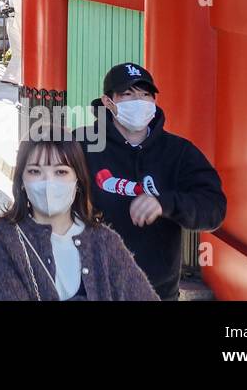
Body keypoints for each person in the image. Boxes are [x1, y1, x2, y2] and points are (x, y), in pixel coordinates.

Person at [84, 63, 227, 301]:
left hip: (156, 292)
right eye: (128, 94)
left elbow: (214, 208)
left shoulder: (179, 152)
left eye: (145, 94)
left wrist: (166, 203)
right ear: (108, 102)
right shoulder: (82, 145)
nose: (138, 100)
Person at [0, 136, 158, 301]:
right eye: (35, 171)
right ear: (21, 182)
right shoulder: (1, 237)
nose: (48, 182)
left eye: (61, 172)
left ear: (78, 180)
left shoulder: (104, 241)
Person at [5, 0, 23, 82]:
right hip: (13, 23)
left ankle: (11, 76)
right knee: (18, 50)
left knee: (18, 51)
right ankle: (14, 76)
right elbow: (19, 9)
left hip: (17, 22)